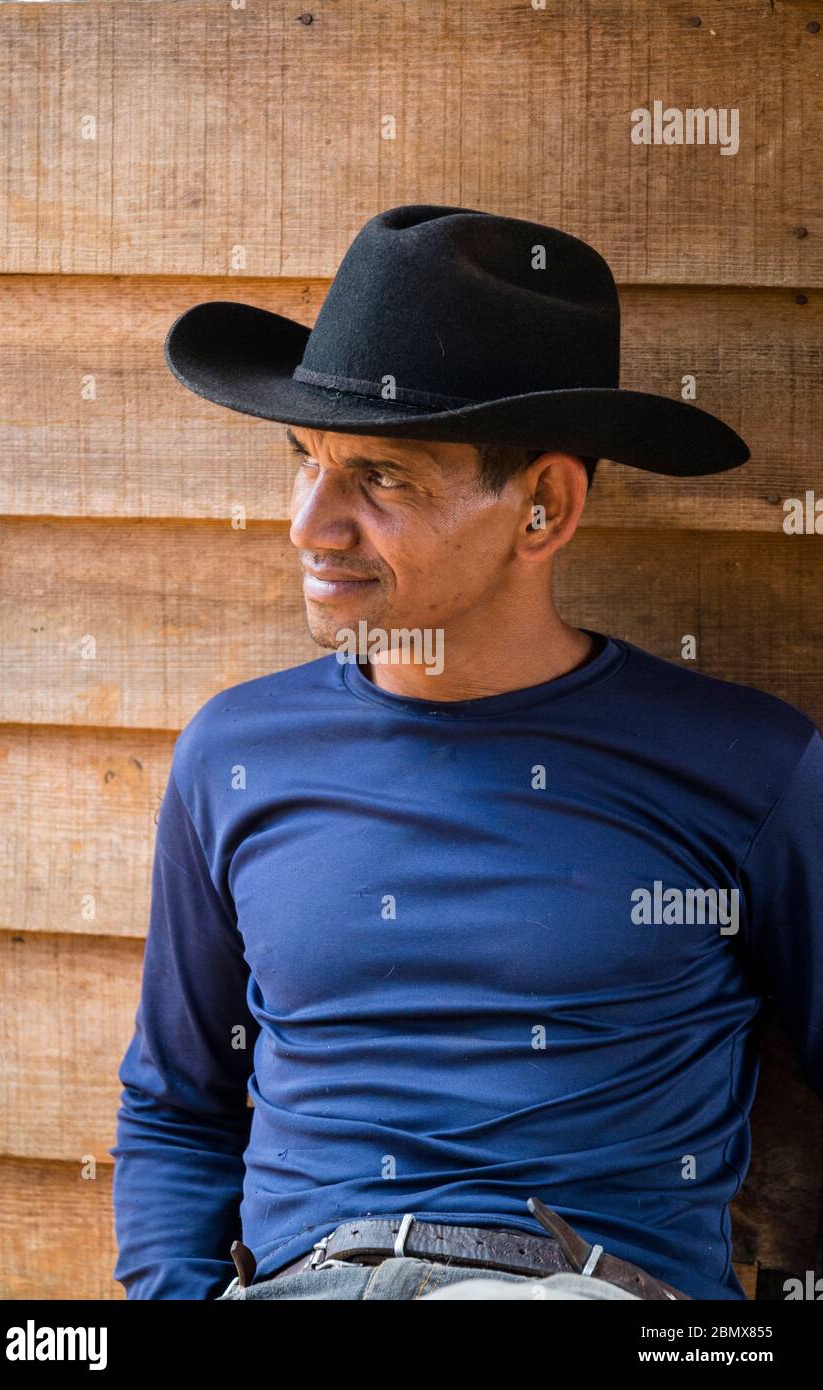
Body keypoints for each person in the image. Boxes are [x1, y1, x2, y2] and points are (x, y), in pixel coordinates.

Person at [110, 205, 823, 1301]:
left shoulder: (749, 770)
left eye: (382, 478)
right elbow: (175, 1104)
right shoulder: (235, 755)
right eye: (305, 459)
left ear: (544, 505)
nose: (311, 523)